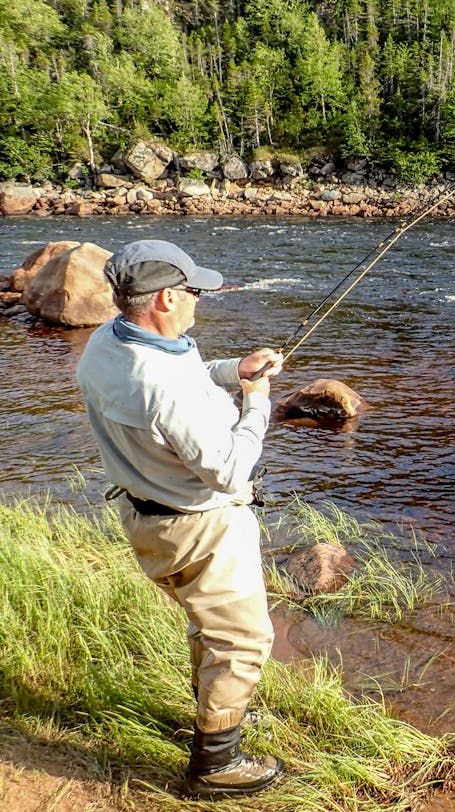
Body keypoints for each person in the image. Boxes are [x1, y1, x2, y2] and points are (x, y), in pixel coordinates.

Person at [75, 238, 285, 799]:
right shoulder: (161, 385)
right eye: (193, 291)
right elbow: (231, 471)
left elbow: (183, 380)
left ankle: (219, 717)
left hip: (147, 517)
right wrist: (257, 398)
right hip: (199, 528)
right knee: (241, 639)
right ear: (166, 298)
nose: (200, 300)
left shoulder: (108, 339)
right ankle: (214, 765)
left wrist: (230, 369)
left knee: (208, 625)